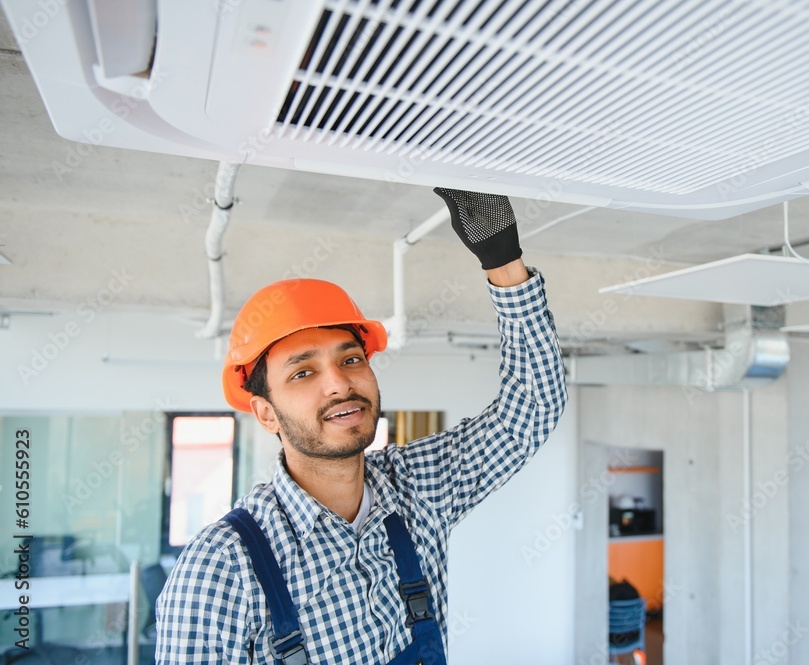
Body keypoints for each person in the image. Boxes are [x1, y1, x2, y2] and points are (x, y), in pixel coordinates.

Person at [155, 188, 568, 664]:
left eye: (350, 359)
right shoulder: (221, 570)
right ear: (266, 413)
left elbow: (532, 408)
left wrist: (501, 257)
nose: (339, 384)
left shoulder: (418, 488)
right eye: (303, 373)